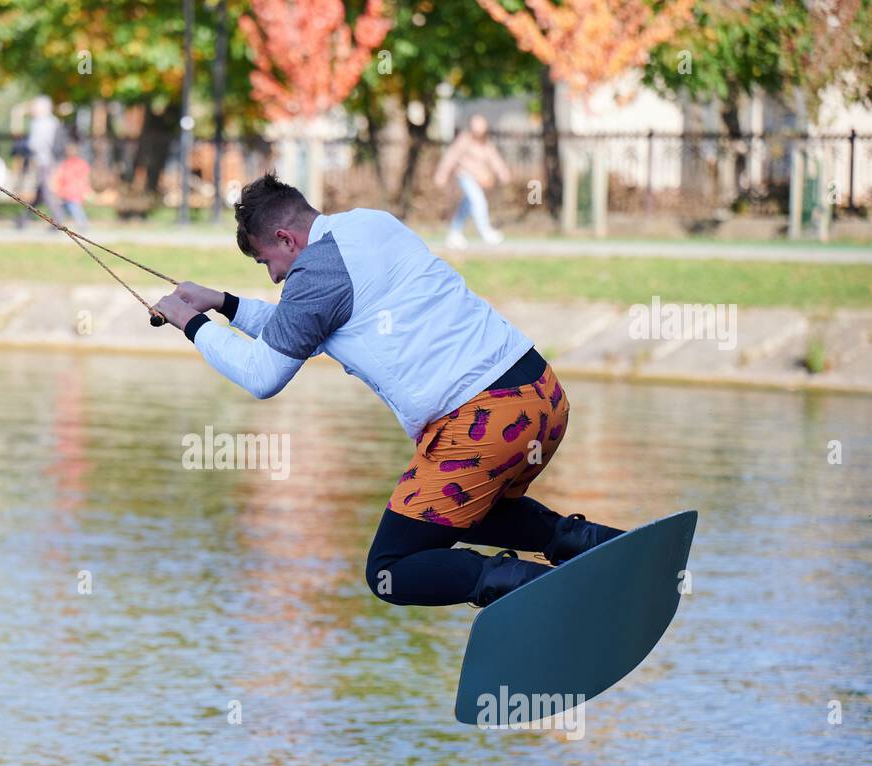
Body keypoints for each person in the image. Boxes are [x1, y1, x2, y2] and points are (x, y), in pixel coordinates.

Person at [150, 173, 622, 609]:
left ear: (285, 239)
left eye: (266, 262)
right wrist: (223, 304)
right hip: (542, 396)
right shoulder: (369, 224)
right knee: (476, 511)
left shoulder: (315, 274)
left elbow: (262, 376)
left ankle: (541, 591)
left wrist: (190, 324)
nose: (274, 277)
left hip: (484, 423)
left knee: (390, 569)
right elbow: (303, 333)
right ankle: (595, 546)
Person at [433, 114, 511, 249]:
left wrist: (503, 172)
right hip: (465, 175)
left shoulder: (485, 143)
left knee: (467, 205)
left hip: (479, 179)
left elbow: (494, 159)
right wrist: (442, 174)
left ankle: (454, 233)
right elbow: (451, 157)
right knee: (478, 201)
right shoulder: (464, 140)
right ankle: (485, 231)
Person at [16, 95, 67, 229]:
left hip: (44, 161)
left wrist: (22, 147)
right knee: (40, 194)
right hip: (52, 160)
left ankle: (58, 221)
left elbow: (34, 144)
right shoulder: (54, 121)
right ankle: (24, 219)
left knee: (47, 192)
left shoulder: (40, 123)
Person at [51, 146, 92, 227]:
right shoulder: (77, 163)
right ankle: (55, 225)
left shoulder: (67, 164)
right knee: (68, 209)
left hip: (70, 192)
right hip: (69, 192)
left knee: (74, 209)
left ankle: (83, 225)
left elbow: (60, 177)